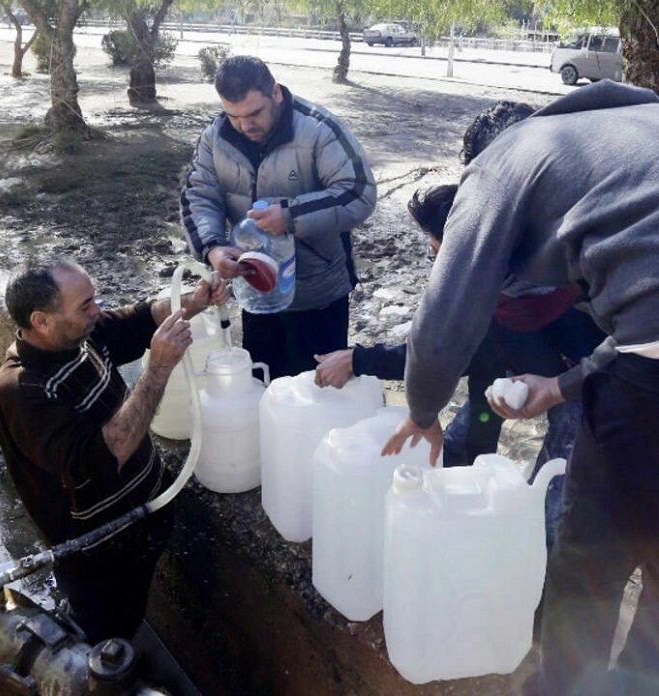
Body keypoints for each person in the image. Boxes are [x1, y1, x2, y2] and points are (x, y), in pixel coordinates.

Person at [382, 81, 659, 694]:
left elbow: (441, 326)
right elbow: (639, 320)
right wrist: (560, 387)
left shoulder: (501, 164)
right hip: (641, 349)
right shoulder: (629, 128)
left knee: (590, 562)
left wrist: (422, 412)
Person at [0, 256, 228, 643]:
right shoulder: (22, 392)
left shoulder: (79, 335)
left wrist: (194, 301)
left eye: (94, 300)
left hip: (141, 518)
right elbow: (103, 457)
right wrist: (158, 368)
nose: (96, 311)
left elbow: (140, 319)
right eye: (85, 305)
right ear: (41, 321)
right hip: (98, 553)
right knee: (102, 637)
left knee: (130, 614)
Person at [315, 183, 604, 473]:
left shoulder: (558, 278)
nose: (438, 268)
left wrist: (358, 361)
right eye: (433, 254)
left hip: (588, 379)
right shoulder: (486, 282)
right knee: (457, 449)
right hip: (521, 366)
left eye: (439, 255)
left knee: (560, 481)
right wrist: (470, 467)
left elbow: (441, 353)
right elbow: (466, 361)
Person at [180, 55, 376, 379]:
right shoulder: (216, 137)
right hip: (256, 292)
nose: (245, 126)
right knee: (264, 385)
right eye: (233, 116)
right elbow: (199, 196)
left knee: (318, 391)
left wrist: (291, 215)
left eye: (254, 113)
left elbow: (359, 192)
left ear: (276, 93)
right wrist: (212, 247)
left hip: (318, 295)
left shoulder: (318, 129)